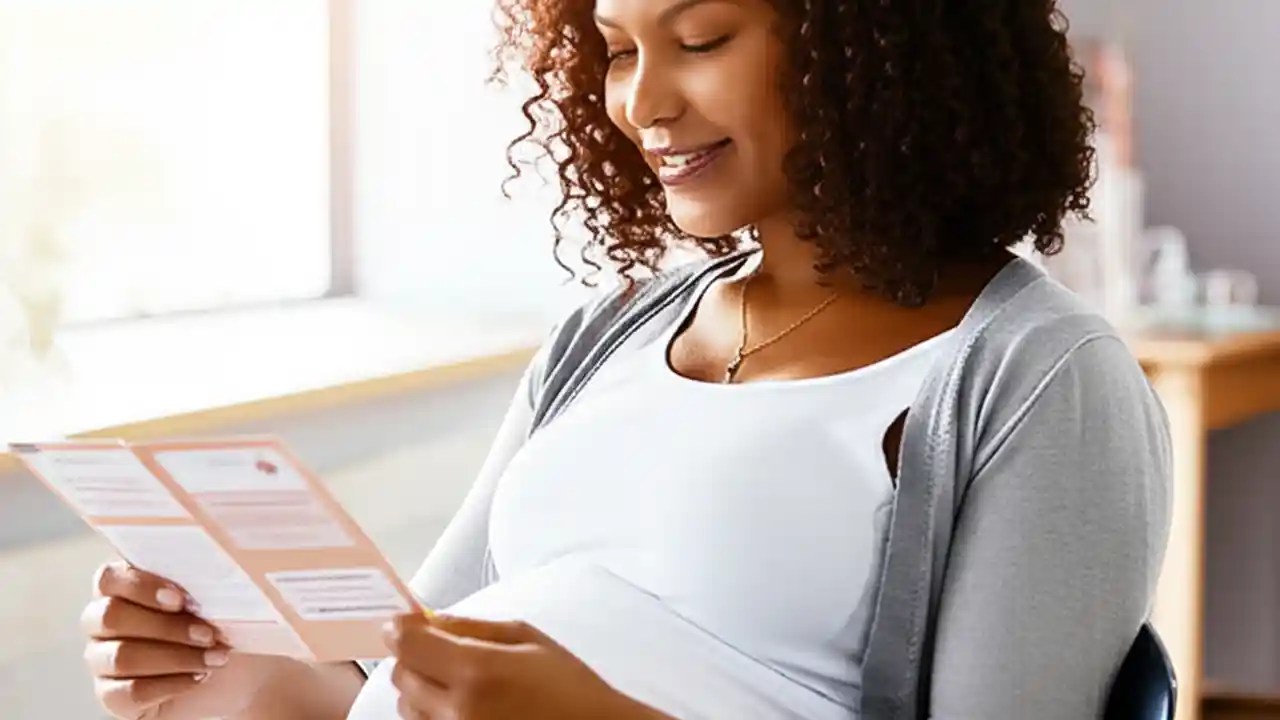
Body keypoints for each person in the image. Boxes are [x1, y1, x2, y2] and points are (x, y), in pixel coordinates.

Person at [77, 0, 1173, 718]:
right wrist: (224, 667)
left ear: (872, 39)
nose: (643, 104)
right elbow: (399, 677)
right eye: (616, 50)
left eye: (700, 40)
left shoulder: (1035, 376)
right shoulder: (605, 336)